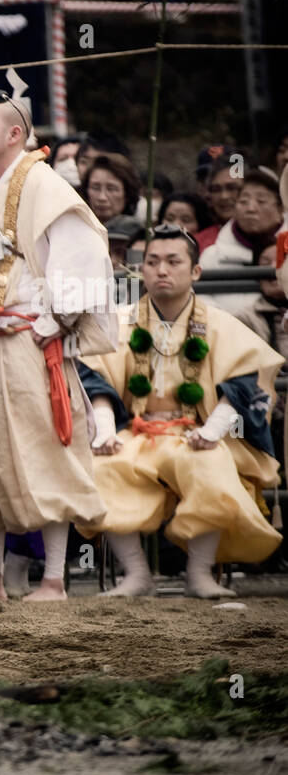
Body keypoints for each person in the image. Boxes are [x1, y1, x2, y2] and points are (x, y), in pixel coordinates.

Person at [0, 83, 116, 601]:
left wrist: (53, 321)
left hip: (32, 341)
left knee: (46, 449)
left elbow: (83, 254)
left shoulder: (46, 186)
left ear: (15, 133)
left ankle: (53, 579)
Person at [80, 224, 282, 597]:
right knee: (104, 467)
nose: (161, 270)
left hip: (196, 432)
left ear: (195, 272)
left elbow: (242, 383)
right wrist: (105, 429)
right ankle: (136, 574)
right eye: (152, 261)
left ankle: (199, 573)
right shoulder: (118, 321)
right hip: (136, 431)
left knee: (210, 466)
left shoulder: (221, 324)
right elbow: (95, 379)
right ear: (141, 270)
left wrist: (214, 430)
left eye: (173, 261)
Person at [199, 167, 286, 341]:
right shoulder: (213, 256)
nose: (251, 208)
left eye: (261, 201)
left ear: (280, 208)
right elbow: (202, 302)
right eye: (243, 201)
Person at [196, 152, 244, 251]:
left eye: (232, 188)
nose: (224, 196)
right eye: (216, 189)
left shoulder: (275, 236)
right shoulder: (198, 243)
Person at [82, 153, 140, 225]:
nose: (102, 197)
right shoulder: (74, 228)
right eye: (95, 188)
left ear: (127, 194)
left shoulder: (140, 233)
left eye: (111, 189)